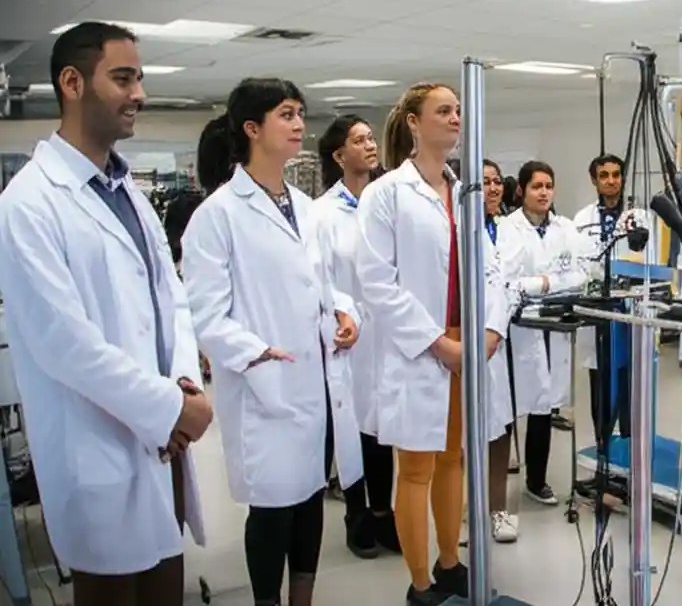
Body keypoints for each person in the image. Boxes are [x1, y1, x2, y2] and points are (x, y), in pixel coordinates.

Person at [0, 22, 212, 606]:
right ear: (72, 82)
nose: (139, 92)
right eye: (122, 78)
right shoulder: (29, 204)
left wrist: (185, 386)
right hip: (99, 445)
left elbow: (171, 298)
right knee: (113, 588)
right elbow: (64, 343)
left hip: (160, 441)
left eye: (139, 78)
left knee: (164, 579)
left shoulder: (128, 193)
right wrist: (170, 408)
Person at [182, 78, 365, 606]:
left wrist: (345, 315)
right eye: (286, 114)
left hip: (316, 380)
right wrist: (256, 353)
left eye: (300, 113)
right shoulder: (216, 217)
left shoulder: (307, 210)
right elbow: (207, 315)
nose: (298, 124)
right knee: (272, 509)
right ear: (252, 128)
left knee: (309, 500)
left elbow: (328, 286)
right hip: (267, 389)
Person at [356, 83, 510, 605]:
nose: (455, 117)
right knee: (417, 468)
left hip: (467, 342)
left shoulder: (464, 192)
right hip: (420, 348)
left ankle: (449, 563)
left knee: (454, 460)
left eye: (459, 110)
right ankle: (420, 584)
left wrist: (490, 330)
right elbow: (376, 282)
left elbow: (492, 269)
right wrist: (438, 345)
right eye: (443, 110)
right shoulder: (387, 194)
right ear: (415, 124)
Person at [314, 115, 401, 558]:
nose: (370, 146)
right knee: (352, 428)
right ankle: (356, 515)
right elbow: (321, 278)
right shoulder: (324, 213)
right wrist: (342, 315)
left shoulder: (387, 201)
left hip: (388, 332)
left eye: (371, 138)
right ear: (338, 155)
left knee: (383, 428)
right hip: (348, 337)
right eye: (359, 140)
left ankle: (385, 515)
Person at [498, 161, 591, 508]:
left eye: (548, 186)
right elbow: (506, 281)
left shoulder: (565, 229)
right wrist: (546, 283)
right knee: (505, 406)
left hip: (551, 328)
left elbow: (582, 274)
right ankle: (496, 482)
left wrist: (540, 285)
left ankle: (536, 480)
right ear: (522, 190)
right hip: (516, 329)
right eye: (536, 186)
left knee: (543, 405)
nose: (544, 192)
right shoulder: (507, 228)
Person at [571, 154, 631, 447]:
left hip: (630, 310)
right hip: (598, 309)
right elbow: (579, 263)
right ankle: (604, 448)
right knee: (601, 386)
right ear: (594, 180)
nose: (611, 181)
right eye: (604, 175)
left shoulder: (638, 215)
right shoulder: (582, 220)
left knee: (630, 384)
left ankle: (631, 450)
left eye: (616, 174)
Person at [482, 158, 520, 542]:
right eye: (485, 182)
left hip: (505, 339)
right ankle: (467, 508)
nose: (493, 189)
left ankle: (497, 509)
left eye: (496, 182)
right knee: (466, 433)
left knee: (500, 428)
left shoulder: (509, 230)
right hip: (469, 338)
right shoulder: (458, 228)